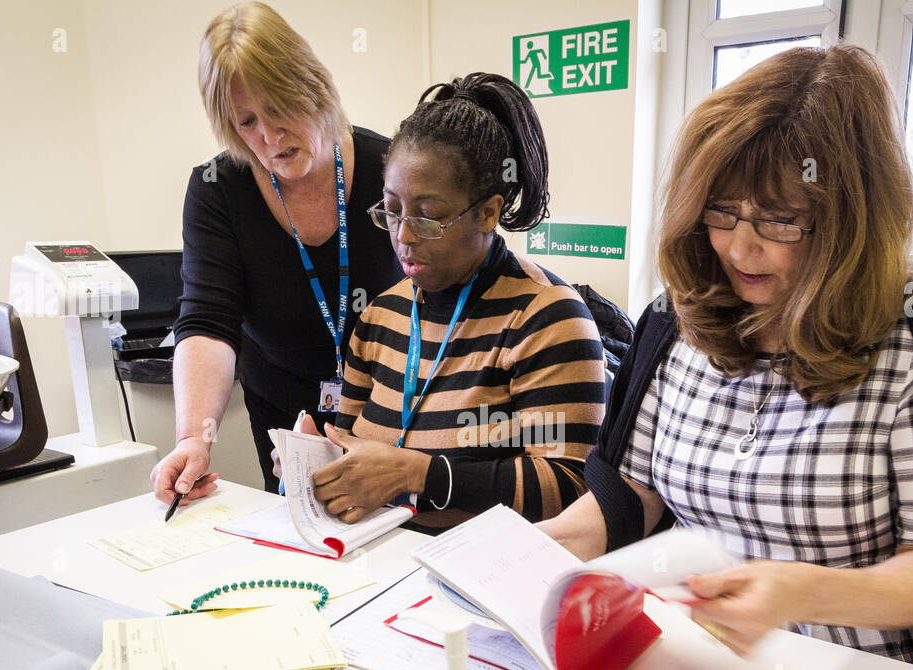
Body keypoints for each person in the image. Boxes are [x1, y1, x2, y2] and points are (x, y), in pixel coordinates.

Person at [539, 45, 913, 670]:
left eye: (780, 219)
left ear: (851, 219)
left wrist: (800, 592)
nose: (741, 247)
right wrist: (531, 557)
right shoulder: (676, 319)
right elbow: (629, 493)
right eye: (720, 211)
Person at [310, 73, 607, 530]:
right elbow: (350, 445)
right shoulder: (379, 316)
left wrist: (420, 474)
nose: (404, 237)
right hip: (374, 560)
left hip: (477, 579)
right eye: (391, 211)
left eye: (429, 219)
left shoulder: (546, 318)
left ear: (489, 212)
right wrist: (316, 461)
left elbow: (571, 488)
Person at [151, 2, 402, 504]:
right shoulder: (218, 189)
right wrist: (193, 439)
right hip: (287, 421)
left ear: (312, 88)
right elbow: (206, 322)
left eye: (279, 109)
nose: (269, 138)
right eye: (246, 123)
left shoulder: (390, 167)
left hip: (393, 415)